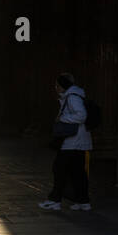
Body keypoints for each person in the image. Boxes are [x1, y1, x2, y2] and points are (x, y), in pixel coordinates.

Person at [38, 71, 92, 211]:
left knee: (59, 169)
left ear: (63, 85)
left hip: (73, 141)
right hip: (79, 140)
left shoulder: (72, 97)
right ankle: (83, 201)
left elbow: (81, 116)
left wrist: (62, 119)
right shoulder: (74, 96)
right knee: (77, 171)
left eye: (57, 85)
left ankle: (55, 200)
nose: (55, 87)